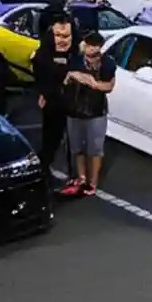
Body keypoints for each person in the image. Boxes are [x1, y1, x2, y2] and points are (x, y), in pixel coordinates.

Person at [59, 31, 116, 198]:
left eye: (94, 46)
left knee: (95, 149)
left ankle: (93, 182)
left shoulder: (107, 63)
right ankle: (81, 177)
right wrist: (73, 76)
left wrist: (92, 83)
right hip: (75, 109)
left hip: (96, 111)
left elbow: (110, 86)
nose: (90, 49)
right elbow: (65, 80)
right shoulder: (76, 60)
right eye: (88, 45)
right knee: (77, 147)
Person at [31, 14, 76, 179]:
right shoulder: (43, 55)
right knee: (52, 138)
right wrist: (45, 92)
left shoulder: (76, 53)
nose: (62, 40)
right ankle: (45, 168)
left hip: (75, 105)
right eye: (58, 36)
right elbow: (40, 71)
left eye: (66, 36)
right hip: (54, 104)